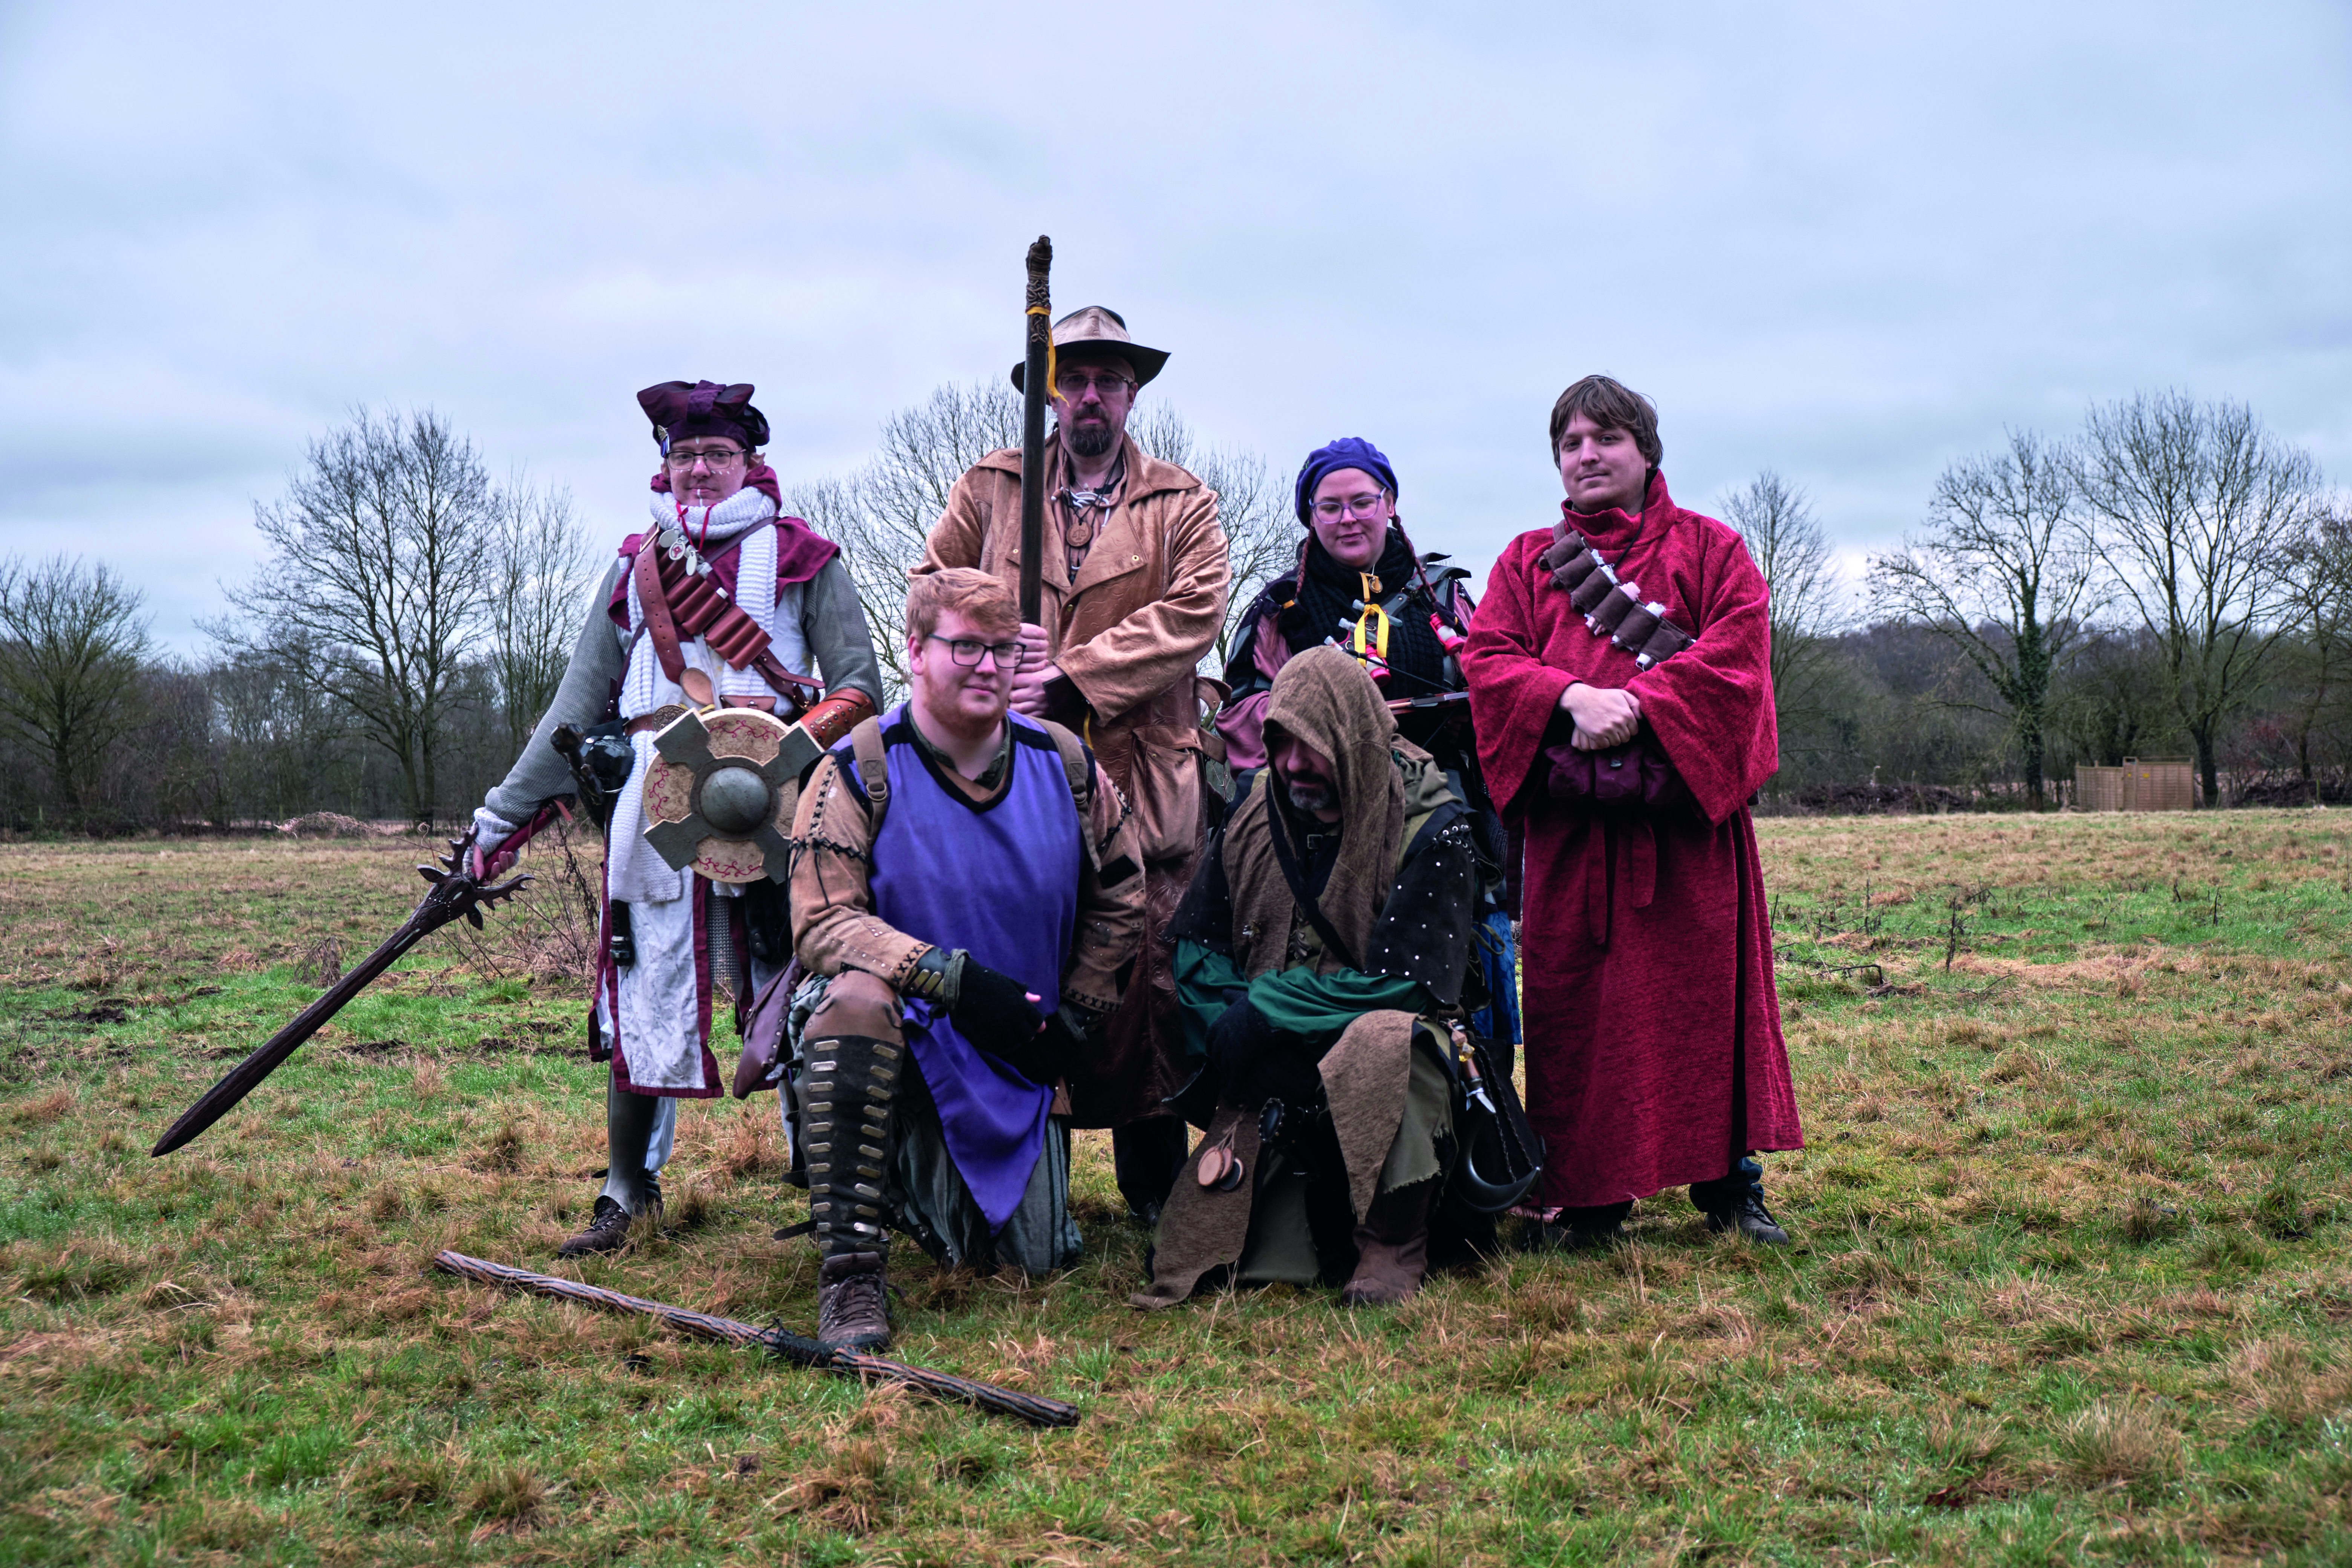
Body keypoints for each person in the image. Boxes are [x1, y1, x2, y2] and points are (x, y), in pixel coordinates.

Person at [471, 380, 883, 1258]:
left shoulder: (805, 556)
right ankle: (628, 1189)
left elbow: (858, 690)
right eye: (684, 455)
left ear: (751, 462)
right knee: (642, 985)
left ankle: (821, 1179)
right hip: (659, 808)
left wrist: (774, 753)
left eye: (717, 454)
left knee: (798, 977)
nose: (699, 469)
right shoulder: (635, 567)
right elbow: (575, 714)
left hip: (779, 797)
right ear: (665, 463)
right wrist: (496, 823)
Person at [1460, 374, 1802, 1248]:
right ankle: (1590, 1198)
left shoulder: (1713, 550)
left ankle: (1731, 1189)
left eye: (1605, 438)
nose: (1587, 455)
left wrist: (1642, 707)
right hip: (1574, 837)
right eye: (1570, 443)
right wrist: (1569, 693)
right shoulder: (1526, 561)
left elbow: (1738, 658)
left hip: (1686, 833)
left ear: (1646, 450)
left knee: (1707, 1010)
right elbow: (1491, 660)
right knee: (1579, 1018)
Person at [916, 306, 1230, 1225]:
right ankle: (1019, 1186)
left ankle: (1152, 1193)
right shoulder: (992, 486)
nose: (1090, 395)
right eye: (1073, 379)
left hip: (1145, 777)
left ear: (1133, 394)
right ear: (1050, 392)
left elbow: (1195, 611)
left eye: (1108, 380)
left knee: (1146, 984)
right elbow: (932, 586)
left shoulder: (1182, 501)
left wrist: (1075, 679)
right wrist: (986, 646)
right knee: (1023, 966)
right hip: (1010, 779)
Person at [786, 568, 1147, 1348]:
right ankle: (850, 1269)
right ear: (916, 651)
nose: (987, 666)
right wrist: (949, 978)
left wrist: (1078, 1013)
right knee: (851, 1000)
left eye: (1002, 650)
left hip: (1018, 1056)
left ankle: (925, 1193)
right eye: (964, 648)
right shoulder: (856, 769)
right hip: (899, 1034)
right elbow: (823, 922)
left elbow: (1125, 890)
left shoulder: (1067, 765)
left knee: (1034, 1261)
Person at [1133, 647, 1481, 1309]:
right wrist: (1237, 1026)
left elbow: (1410, 987)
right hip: (1279, 1072)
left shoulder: (1433, 823)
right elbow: (1198, 954)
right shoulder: (1251, 814)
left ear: (1351, 736)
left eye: (1312, 744)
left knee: (1387, 1040)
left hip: (1394, 1065)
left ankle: (1394, 1243)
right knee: (1197, 1257)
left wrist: (1271, 1009)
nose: (1293, 763)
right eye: (1281, 741)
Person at [1217, 437, 1517, 1047]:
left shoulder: (1450, 594)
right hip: (1320, 838)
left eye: (1362, 501)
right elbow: (1243, 716)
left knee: (1462, 1026)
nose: (1348, 517)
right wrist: (1328, 719)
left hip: (1443, 822)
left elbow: (1498, 688)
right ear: (1310, 515)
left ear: (1390, 503)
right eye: (1330, 506)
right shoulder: (1280, 610)